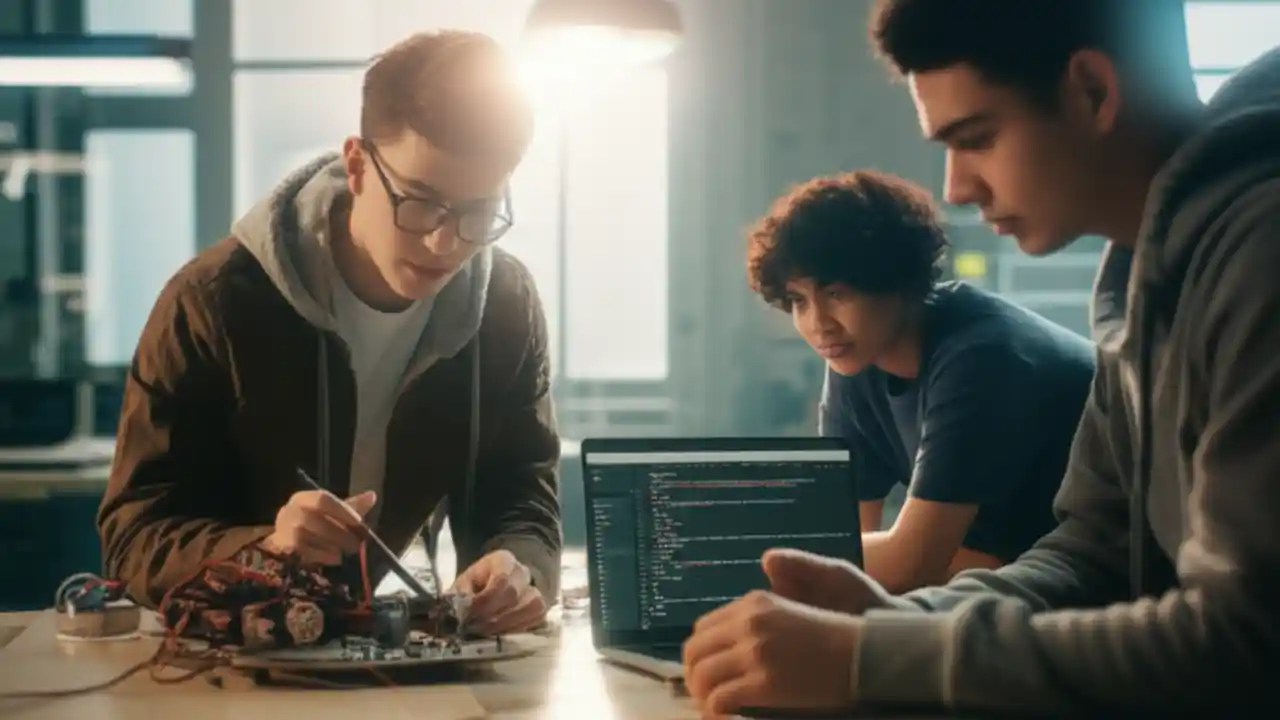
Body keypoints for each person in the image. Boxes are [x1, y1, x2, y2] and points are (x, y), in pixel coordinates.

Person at [683, 0, 1280, 715]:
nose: (956, 189)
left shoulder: (1260, 253)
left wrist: (871, 657)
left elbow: (1251, 641)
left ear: (1092, 91)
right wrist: (894, 624)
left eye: (977, 137)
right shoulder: (1138, 276)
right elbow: (1090, 553)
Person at [98, 30, 562, 637]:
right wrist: (265, 549)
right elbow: (135, 534)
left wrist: (517, 568)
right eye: (420, 203)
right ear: (357, 165)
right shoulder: (212, 301)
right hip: (230, 661)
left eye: (479, 211)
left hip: (389, 656)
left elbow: (523, 494)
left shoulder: (506, 304)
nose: (447, 244)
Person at [746, 170, 1093, 593]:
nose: (818, 324)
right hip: (993, 569)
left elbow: (908, 565)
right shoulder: (855, 357)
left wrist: (737, 555)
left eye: (837, 294)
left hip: (1106, 579)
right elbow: (843, 543)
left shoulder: (980, 354)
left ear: (897, 281)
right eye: (799, 301)